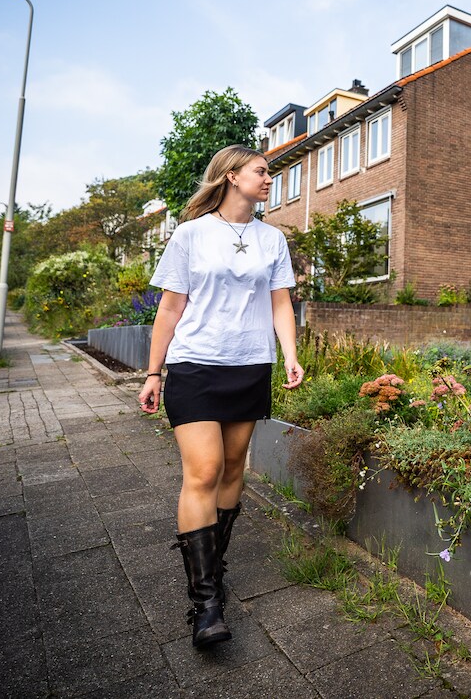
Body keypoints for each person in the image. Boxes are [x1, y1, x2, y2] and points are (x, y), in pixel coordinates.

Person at [138, 144, 304, 649]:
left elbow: (281, 304)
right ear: (232, 176)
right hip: (194, 365)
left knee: (234, 470)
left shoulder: (272, 239)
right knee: (204, 471)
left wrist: (290, 354)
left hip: (249, 367)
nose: (269, 178)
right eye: (261, 170)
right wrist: (153, 373)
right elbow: (168, 309)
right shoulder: (190, 235)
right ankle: (206, 603)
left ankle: (214, 561)